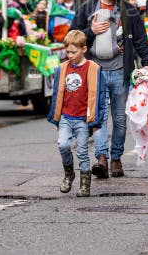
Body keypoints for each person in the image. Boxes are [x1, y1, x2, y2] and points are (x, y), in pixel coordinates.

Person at [70, 0, 148, 179]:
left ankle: (116, 158)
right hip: (95, 71)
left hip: (119, 71)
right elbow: (72, 37)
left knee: (119, 119)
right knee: (97, 118)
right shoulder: (87, 8)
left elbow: (141, 40)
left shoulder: (129, 11)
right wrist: (90, 32)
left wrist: (147, 63)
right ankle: (101, 158)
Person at [47, 30, 106, 197]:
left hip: (82, 119)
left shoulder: (93, 69)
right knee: (63, 145)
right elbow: (57, 94)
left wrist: (95, 122)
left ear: (84, 49)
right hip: (66, 116)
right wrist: (57, 119)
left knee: (82, 151)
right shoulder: (62, 68)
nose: (70, 55)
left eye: (74, 52)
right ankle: (69, 174)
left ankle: (85, 184)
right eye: (67, 52)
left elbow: (99, 97)